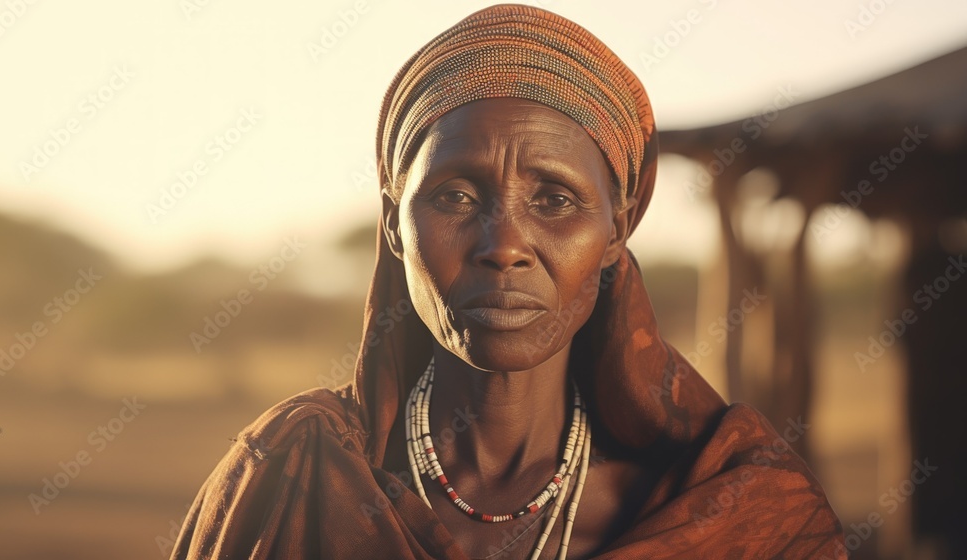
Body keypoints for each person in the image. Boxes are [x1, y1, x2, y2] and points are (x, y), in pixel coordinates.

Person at [170, 4, 845, 559]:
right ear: (392, 226)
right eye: (456, 198)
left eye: (554, 200)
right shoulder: (293, 476)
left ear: (619, 230)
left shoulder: (743, 514)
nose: (504, 247)